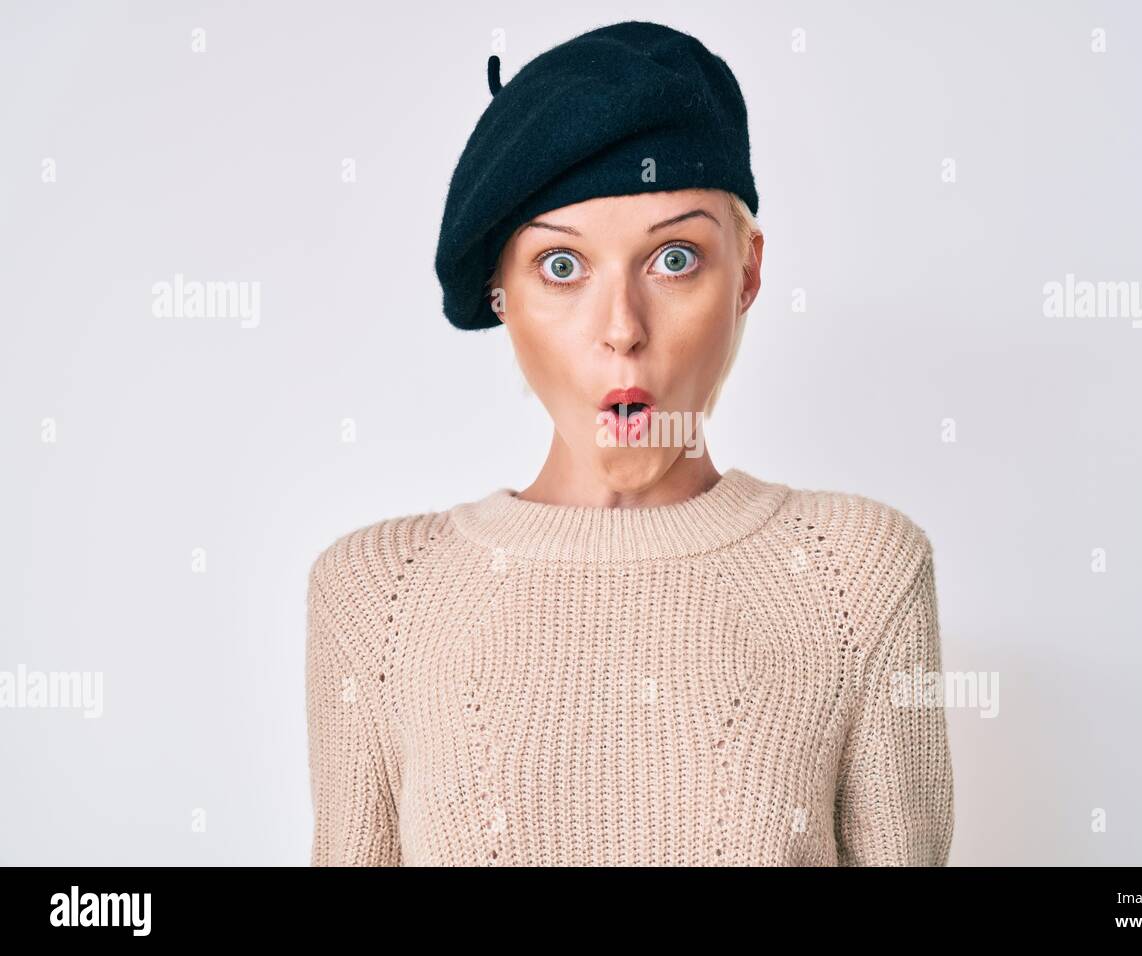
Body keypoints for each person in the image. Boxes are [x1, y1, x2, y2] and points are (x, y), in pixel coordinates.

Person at [305, 19, 954, 866]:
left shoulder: (862, 574)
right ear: (502, 292)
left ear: (748, 273)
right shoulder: (373, 595)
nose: (621, 330)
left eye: (674, 259)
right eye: (562, 268)